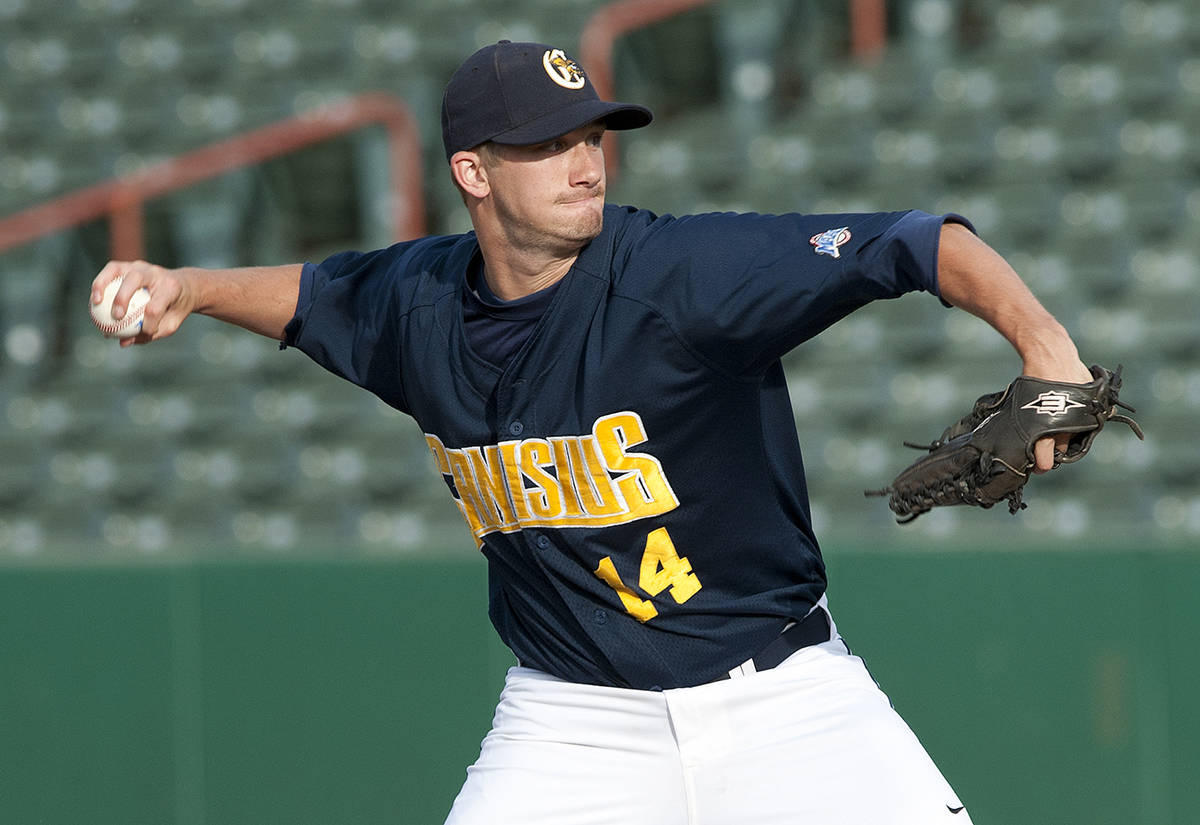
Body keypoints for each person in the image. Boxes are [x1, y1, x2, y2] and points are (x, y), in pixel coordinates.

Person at [92, 40, 1092, 825]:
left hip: (784, 701)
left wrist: (1045, 347)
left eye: (591, 137)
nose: (584, 163)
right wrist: (190, 286)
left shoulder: (683, 276)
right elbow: (312, 297)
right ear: (473, 173)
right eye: (549, 143)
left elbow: (915, 242)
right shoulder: (419, 304)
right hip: (575, 722)